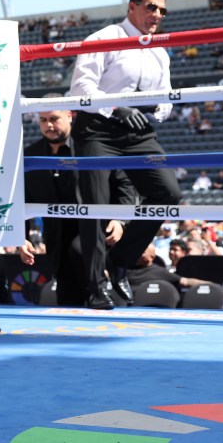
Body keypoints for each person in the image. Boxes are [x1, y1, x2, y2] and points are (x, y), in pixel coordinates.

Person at [68, 0, 181, 310]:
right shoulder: (104, 38)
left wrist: (152, 109)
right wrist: (117, 106)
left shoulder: (159, 50)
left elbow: (167, 100)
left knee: (168, 193)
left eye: (162, 10)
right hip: (98, 128)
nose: (157, 15)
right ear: (132, 7)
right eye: (151, 7)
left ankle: (121, 260)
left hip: (138, 131)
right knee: (95, 202)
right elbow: (81, 86)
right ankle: (95, 286)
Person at [18, 101, 129, 306]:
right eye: (43, 120)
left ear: (70, 116)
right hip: (57, 241)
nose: (48, 125)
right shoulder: (29, 156)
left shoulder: (94, 148)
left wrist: (120, 219)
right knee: (68, 302)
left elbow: (123, 182)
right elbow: (21, 199)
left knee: (84, 259)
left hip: (98, 232)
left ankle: (105, 288)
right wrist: (19, 237)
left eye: (54, 119)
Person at [126, 244, 212, 297]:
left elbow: (185, 281)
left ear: (152, 256)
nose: (137, 254)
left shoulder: (160, 272)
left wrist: (213, 286)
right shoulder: (125, 269)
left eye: (142, 252)